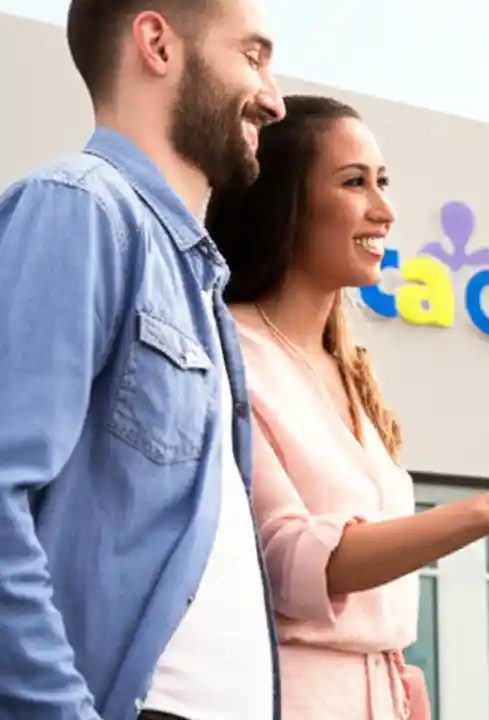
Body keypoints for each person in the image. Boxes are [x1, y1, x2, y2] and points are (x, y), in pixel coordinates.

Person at [204, 94, 489, 719]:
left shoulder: (348, 372)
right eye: (353, 182)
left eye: (382, 182)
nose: (384, 210)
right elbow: (287, 561)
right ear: (286, 202)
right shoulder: (228, 354)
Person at [0, 1, 286, 719]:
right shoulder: (79, 208)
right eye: (253, 57)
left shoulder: (198, 283)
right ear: (157, 43)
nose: (275, 101)